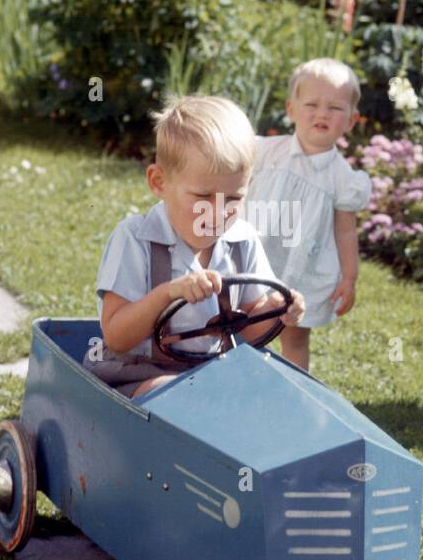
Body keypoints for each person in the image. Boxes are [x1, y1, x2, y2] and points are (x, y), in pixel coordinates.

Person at [86, 94, 305, 401]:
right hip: (138, 376)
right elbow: (117, 337)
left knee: (272, 392)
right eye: (203, 196)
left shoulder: (242, 241)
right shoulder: (136, 239)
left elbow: (249, 328)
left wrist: (278, 310)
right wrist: (168, 293)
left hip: (211, 372)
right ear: (159, 182)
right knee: (173, 397)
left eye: (233, 198)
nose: (217, 211)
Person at [244, 59, 372, 373]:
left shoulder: (343, 178)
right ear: (291, 109)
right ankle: (237, 376)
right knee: (243, 322)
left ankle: (294, 389)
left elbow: (345, 230)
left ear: (352, 120)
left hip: (304, 268)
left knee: (295, 335)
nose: (322, 113)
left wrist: (349, 277)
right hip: (257, 256)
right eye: (311, 104)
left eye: (335, 108)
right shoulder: (266, 151)